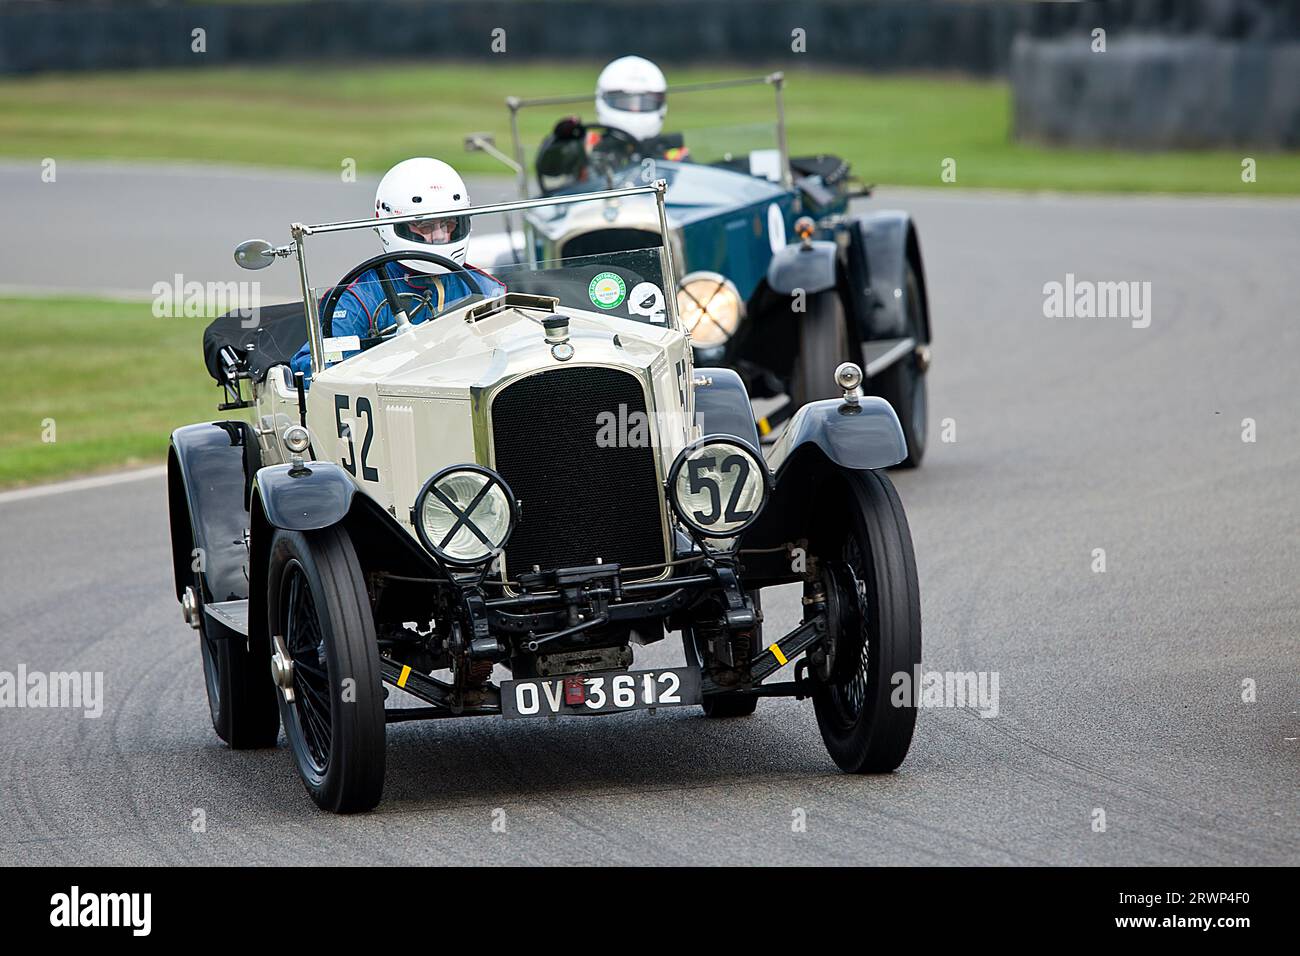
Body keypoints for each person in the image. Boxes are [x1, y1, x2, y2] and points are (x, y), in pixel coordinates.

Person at [290, 157, 504, 380]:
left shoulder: (488, 290)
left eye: (449, 224)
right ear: (389, 223)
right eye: (425, 226)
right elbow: (312, 369)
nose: (441, 236)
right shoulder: (359, 299)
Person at [536, 56, 687, 193]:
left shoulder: (672, 151)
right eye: (625, 102)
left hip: (654, 217)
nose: (634, 109)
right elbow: (551, 168)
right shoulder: (588, 145)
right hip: (594, 216)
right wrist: (562, 141)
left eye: (645, 102)